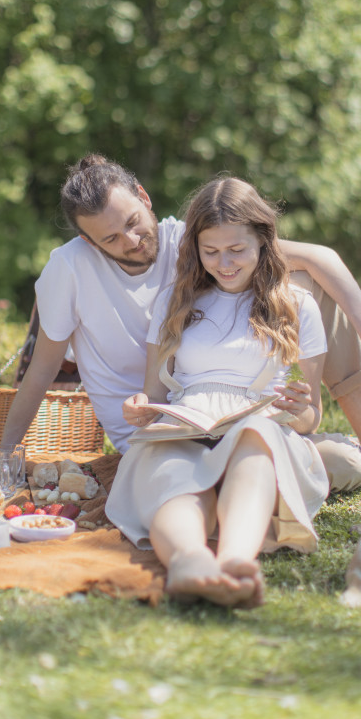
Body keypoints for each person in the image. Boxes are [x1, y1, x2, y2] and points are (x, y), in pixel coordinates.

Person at [0, 153, 361, 482]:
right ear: (87, 241)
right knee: (300, 462)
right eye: (110, 238)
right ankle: (288, 462)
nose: (131, 240)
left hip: (231, 411)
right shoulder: (68, 269)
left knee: (305, 280)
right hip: (158, 427)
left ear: (144, 197)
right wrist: (2, 460)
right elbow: (40, 373)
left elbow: (318, 257)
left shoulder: (191, 242)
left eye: (133, 222)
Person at [105, 177, 332, 607]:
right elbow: (152, 394)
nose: (223, 263)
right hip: (186, 424)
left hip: (259, 427)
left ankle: (233, 562)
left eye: (236, 250)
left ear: (264, 242)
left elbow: (310, 417)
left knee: (256, 439)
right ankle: (190, 562)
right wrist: (140, 407)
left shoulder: (297, 304)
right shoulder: (175, 299)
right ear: (195, 247)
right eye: (210, 252)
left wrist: (301, 409)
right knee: (174, 471)